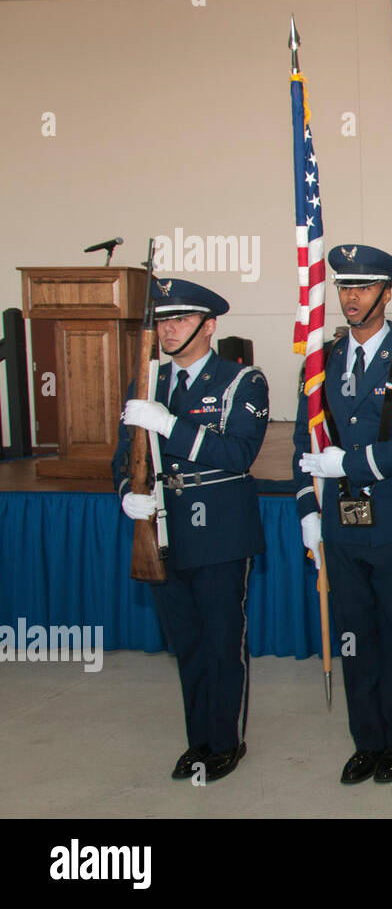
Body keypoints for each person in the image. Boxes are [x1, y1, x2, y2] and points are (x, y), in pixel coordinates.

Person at [293, 244, 392, 786]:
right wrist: (307, 509)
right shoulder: (322, 361)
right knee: (353, 637)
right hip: (339, 522)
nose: (351, 297)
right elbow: (302, 441)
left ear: (387, 292)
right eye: (343, 287)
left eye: (362, 287)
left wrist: (351, 462)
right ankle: (367, 740)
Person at [112, 277, 269, 782]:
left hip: (220, 529)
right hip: (162, 531)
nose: (168, 329)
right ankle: (197, 739)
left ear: (209, 326)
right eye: (163, 320)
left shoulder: (242, 381)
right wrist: (127, 495)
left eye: (180, 319)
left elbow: (239, 454)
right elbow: (122, 458)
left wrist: (169, 426)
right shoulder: (147, 382)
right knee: (188, 643)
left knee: (222, 641)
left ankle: (225, 742)